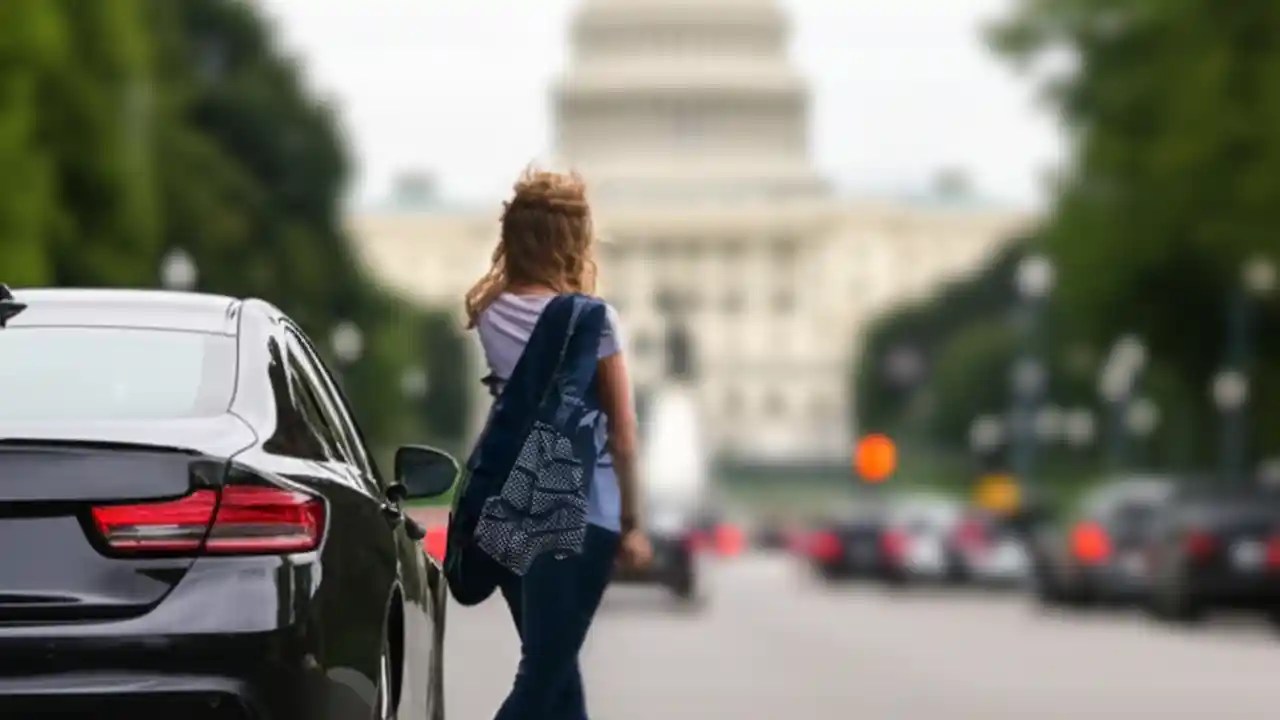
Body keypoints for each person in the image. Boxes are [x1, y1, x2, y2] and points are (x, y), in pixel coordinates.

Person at [463, 168, 653, 719]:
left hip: (508, 506)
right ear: (574, 239)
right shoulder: (594, 319)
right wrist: (634, 522)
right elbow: (623, 432)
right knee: (545, 673)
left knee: (557, 673)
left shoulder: (490, 311)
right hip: (582, 509)